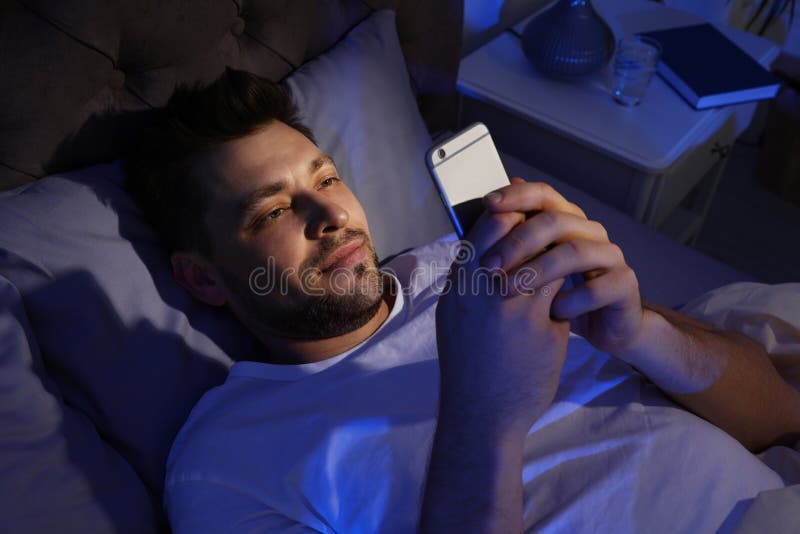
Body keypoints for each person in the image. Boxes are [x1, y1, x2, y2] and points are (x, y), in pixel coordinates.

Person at [124, 68, 800, 533]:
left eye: (326, 176)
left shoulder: (469, 259)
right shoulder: (225, 463)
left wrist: (642, 331)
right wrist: (486, 416)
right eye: (272, 211)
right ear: (203, 279)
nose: (328, 212)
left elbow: (780, 415)